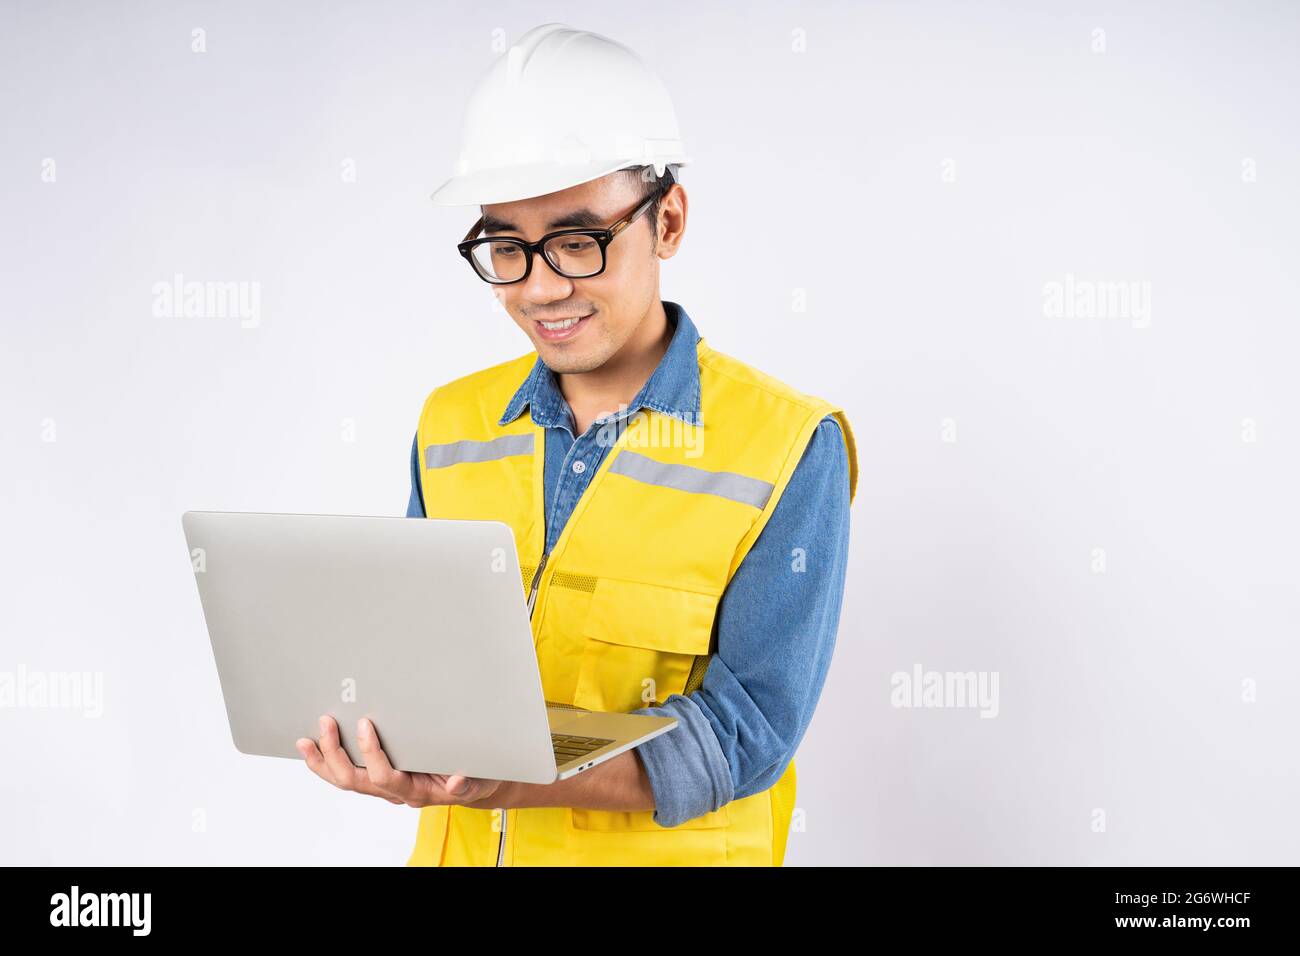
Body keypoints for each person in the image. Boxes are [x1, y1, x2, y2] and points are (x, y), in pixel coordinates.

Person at [294, 22, 858, 866]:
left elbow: (747, 734)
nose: (540, 287)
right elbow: (420, 664)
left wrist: (507, 779)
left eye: (576, 241)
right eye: (506, 246)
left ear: (667, 220)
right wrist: (380, 733)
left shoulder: (785, 445)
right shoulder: (452, 425)